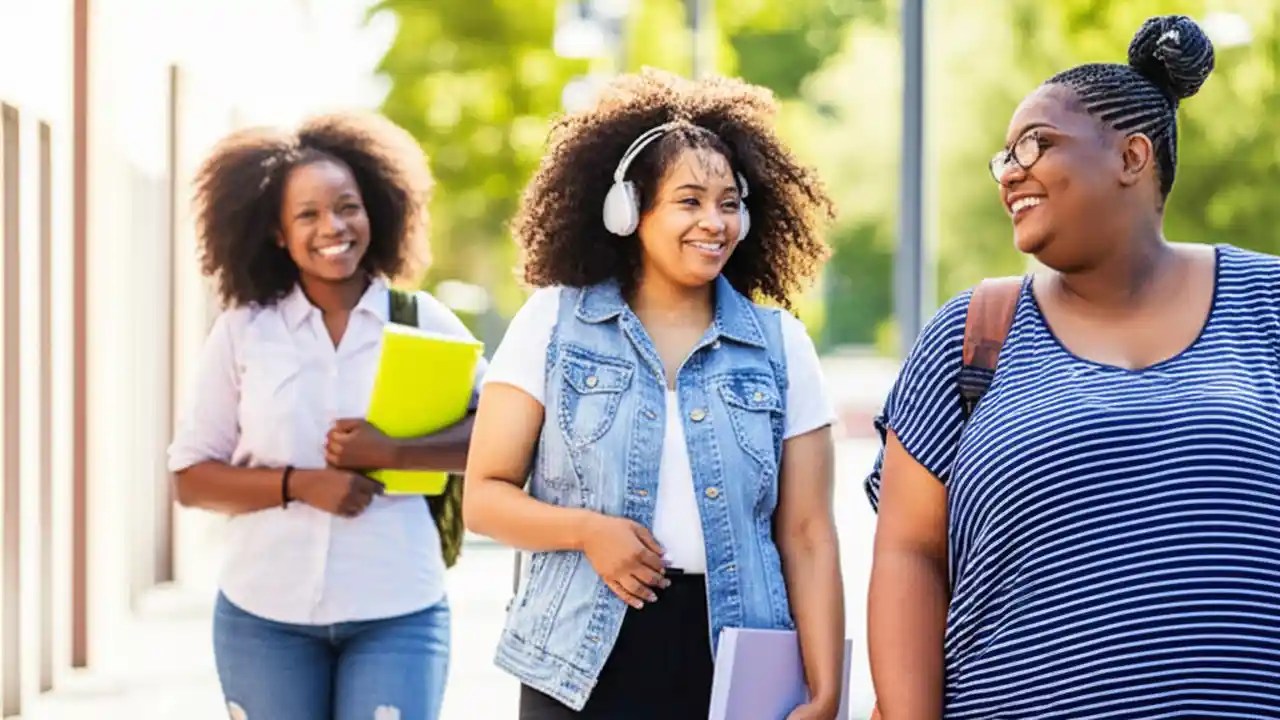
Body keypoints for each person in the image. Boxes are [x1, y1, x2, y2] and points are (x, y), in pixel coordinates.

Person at [867, 14, 1280, 719]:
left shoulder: (1266, 304)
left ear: (1131, 157)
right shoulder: (969, 336)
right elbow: (909, 555)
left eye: (1038, 143)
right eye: (1004, 157)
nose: (1012, 171)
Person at [463, 69, 845, 720]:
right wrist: (586, 531)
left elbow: (808, 533)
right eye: (689, 201)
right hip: (578, 658)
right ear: (628, 210)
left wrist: (826, 685)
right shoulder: (553, 324)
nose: (715, 222)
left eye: (729, 202)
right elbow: (484, 498)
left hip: (735, 658)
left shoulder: (781, 346)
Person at [168, 111, 483, 720]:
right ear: (278, 234)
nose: (332, 226)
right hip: (264, 615)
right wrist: (300, 485)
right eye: (307, 214)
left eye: (347, 207)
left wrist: (395, 453)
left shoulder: (424, 321)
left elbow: (500, 438)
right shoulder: (244, 333)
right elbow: (190, 477)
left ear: (378, 211)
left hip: (397, 608)